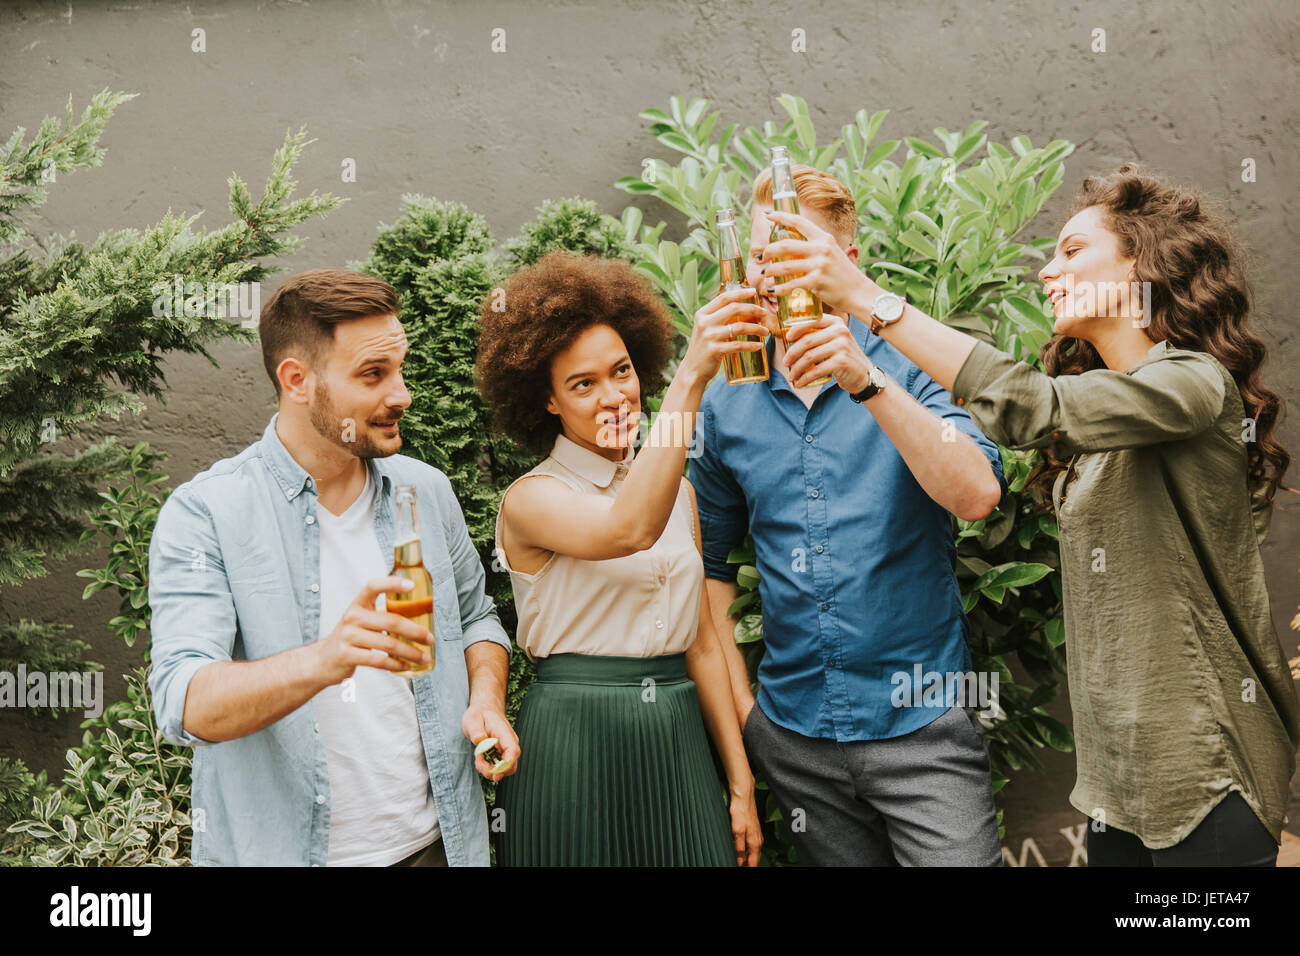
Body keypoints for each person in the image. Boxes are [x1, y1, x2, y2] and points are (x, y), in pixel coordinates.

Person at [762, 162, 1300, 866]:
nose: (1049, 271)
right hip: (1115, 791)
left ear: (1144, 263)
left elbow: (1029, 407)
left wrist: (866, 299)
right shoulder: (1106, 411)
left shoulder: (1192, 383)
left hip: (1207, 774)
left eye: (1073, 251)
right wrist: (864, 379)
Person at [691, 165, 1007, 866]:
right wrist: (751, 720)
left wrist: (866, 380)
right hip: (795, 737)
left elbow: (977, 495)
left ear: (846, 262)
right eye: (762, 257)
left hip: (924, 728)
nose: (774, 275)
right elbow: (709, 570)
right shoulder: (728, 401)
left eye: (796, 251)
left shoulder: (915, 365)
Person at [148, 268, 517, 866]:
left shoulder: (426, 491)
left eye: (399, 369)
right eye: (373, 374)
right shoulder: (206, 513)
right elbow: (186, 702)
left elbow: (477, 620)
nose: (401, 394)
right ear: (297, 380)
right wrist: (327, 658)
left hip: (439, 848)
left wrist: (486, 700)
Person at [477, 250, 767, 866]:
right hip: (573, 742)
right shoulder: (532, 499)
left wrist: (740, 783)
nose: (614, 397)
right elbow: (627, 529)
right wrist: (693, 376)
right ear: (549, 401)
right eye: (583, 384)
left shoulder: (679, 494)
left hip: (678, 737)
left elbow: (704, 646)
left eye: (622, 372)